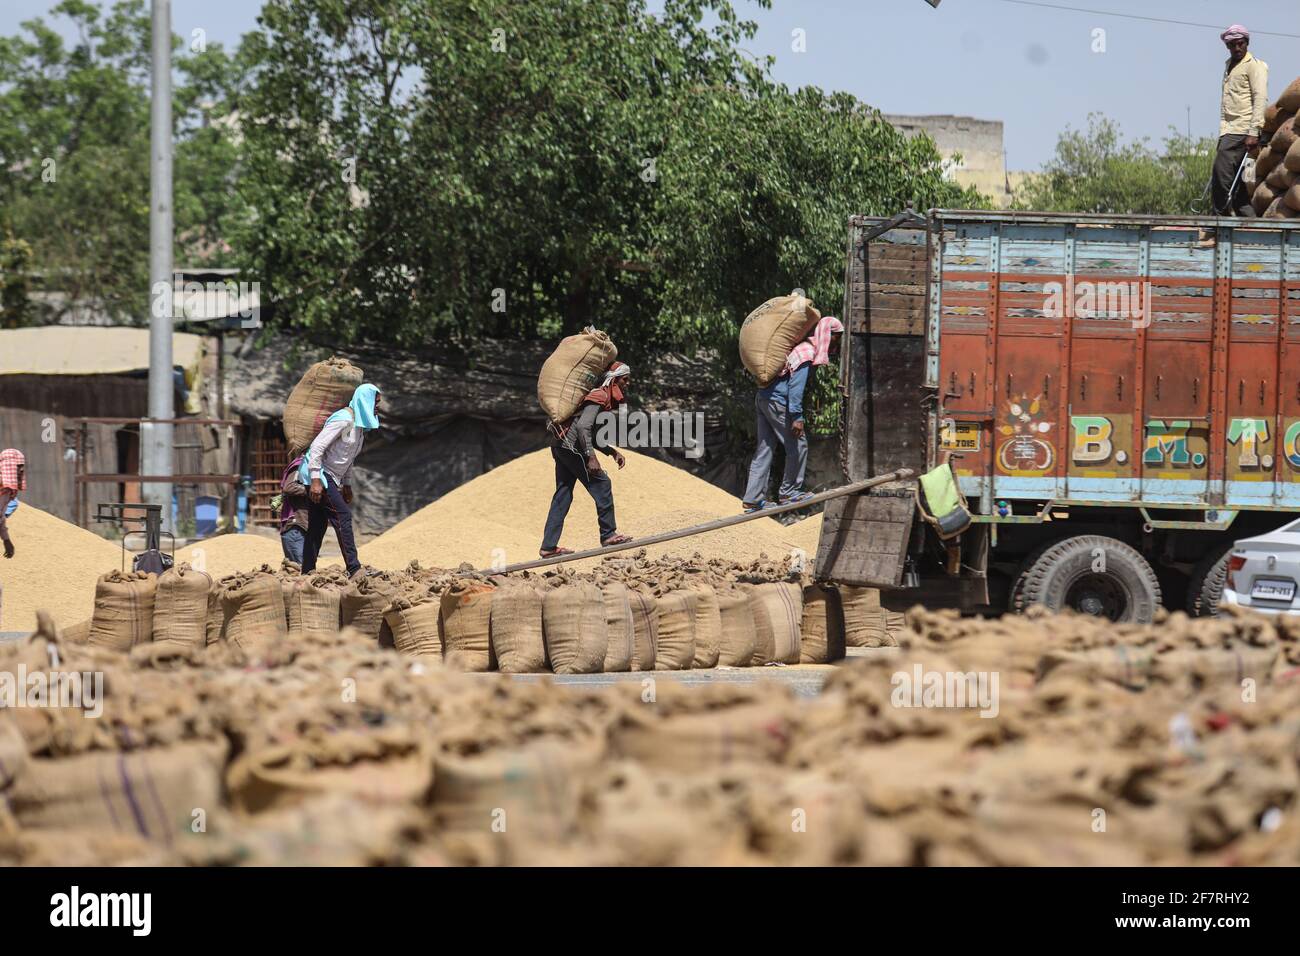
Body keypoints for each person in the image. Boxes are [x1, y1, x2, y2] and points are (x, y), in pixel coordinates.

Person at [742, 315, 844, 513]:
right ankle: (790, 492)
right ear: (827, 334)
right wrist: (797, 417)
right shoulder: (806, 352)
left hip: (763, 398)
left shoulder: (800, 347)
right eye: (837, 337)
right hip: (779, 402)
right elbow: (795, 388)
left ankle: (752, 499)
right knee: (798, 444)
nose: (837, 342)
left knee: (765, 448)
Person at [540, 361, 634, 558]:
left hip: (561, 446)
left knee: (563, 495)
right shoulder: (599, 395)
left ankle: (548, 546)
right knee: (603, 484)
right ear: (614, 380)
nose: (628, 383)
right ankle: (608, 535)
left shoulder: (599, 397)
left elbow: (587, 431)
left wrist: (611, 452)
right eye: (625, 379)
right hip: (571, 447)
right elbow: (583, 428)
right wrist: (591, 457)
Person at [299, 383, 381, 577]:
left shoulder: (359, 427)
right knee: (342, 516)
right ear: (365, 401)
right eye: (375, 402)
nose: (378, 407)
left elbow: (348, 458)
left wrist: (347, 483)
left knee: (317, 526)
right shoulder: (344, 419)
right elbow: (317, 447)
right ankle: (354, 568)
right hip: (319, 474)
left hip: (332, 477)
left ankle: (307, 571)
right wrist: (316, 480)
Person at [1214, 24, 1267, 217]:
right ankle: (1254, 232)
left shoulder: (1254, 66)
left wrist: (1254, 132)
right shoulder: (1229, 66)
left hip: (1242, 130)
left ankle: (1217, 224)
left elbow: (1260, 98)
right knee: (1238, 191)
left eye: (1240, 44)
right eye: (1231, 45)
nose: (1236, 48)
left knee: (1221, 176)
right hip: (1228, 130)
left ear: (1247, 43)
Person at [276, 454, 310, 566]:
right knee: (299, 570)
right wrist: (313, 489)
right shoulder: (300, 464)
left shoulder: (310, 465)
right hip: (296, 527)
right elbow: (289, 487)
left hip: (303, 526)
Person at [0, 448, 25, 560]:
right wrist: (6, 540)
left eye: (21, 467)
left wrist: (6, 540)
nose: (20, 471)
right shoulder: (3, 488)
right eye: (17, 467)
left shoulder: (8, 492)